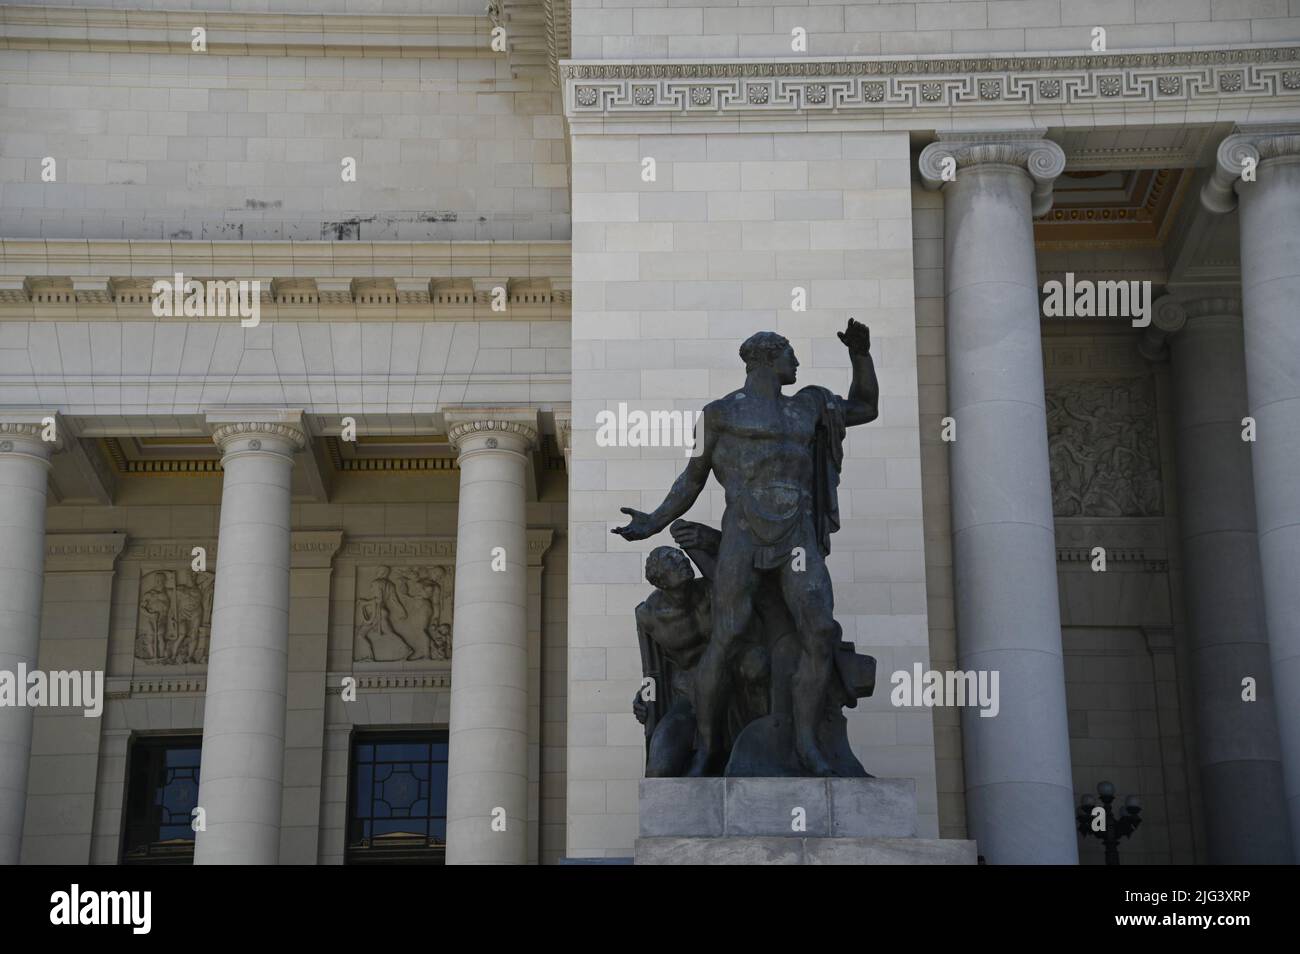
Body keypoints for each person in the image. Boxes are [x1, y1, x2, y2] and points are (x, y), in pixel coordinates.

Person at [614, 319, 878, 776]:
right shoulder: (719, 414)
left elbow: (865, 406)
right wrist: (655, 521)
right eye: (789, 354)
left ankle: (806, 743)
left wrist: (860, 354)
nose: (796, 362)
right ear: (766, 359)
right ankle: (706, 748)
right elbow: (693, 476)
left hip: (795, 530)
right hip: (743, 528)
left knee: (817, 631)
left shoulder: (809, 405)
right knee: (728, 635)